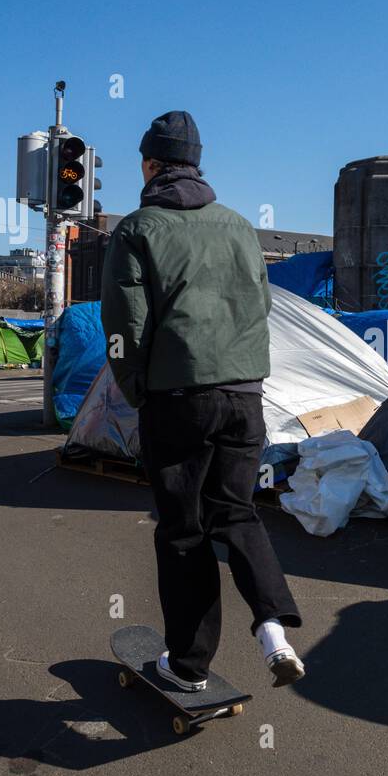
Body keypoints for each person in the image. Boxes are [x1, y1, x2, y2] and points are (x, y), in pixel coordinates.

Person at [101, 110, 304, 692]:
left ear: (150, 165)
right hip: (245, 395)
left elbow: (124, 323)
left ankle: (188, 666)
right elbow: (259, 307)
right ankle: (273, 631)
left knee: (183, 530)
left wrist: (134, 385)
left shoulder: (136, 229)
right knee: (236, 512)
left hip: (177, 398)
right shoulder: (240, 227)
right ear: (197, 164)